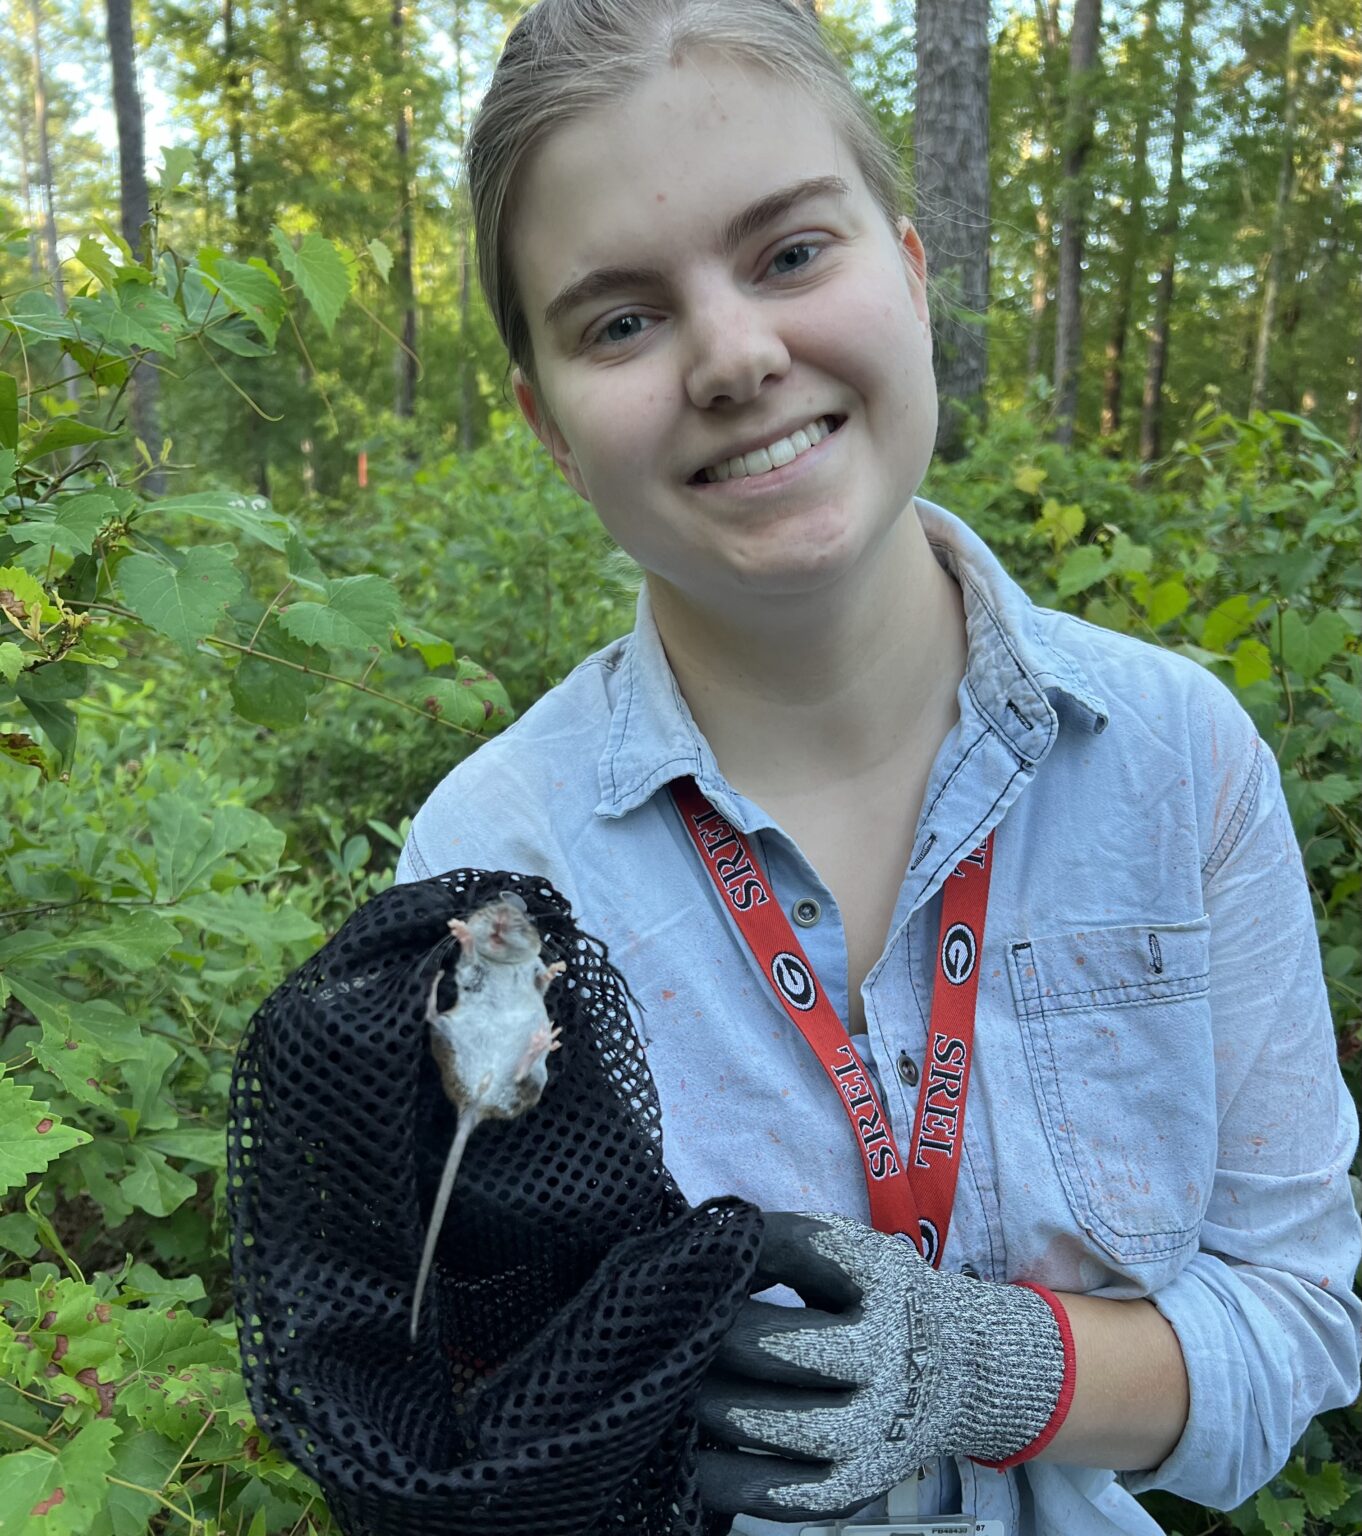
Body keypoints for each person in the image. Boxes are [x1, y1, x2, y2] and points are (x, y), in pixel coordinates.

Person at [394, 1, 1362, 1530]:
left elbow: (1297, 1319)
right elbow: (485, 1396)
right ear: (549, 427)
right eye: (620, 322)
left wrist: (990, 1368)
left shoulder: (1179, 762)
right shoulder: (494, 866)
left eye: (789, 253)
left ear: (908, 273)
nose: (734, 356)